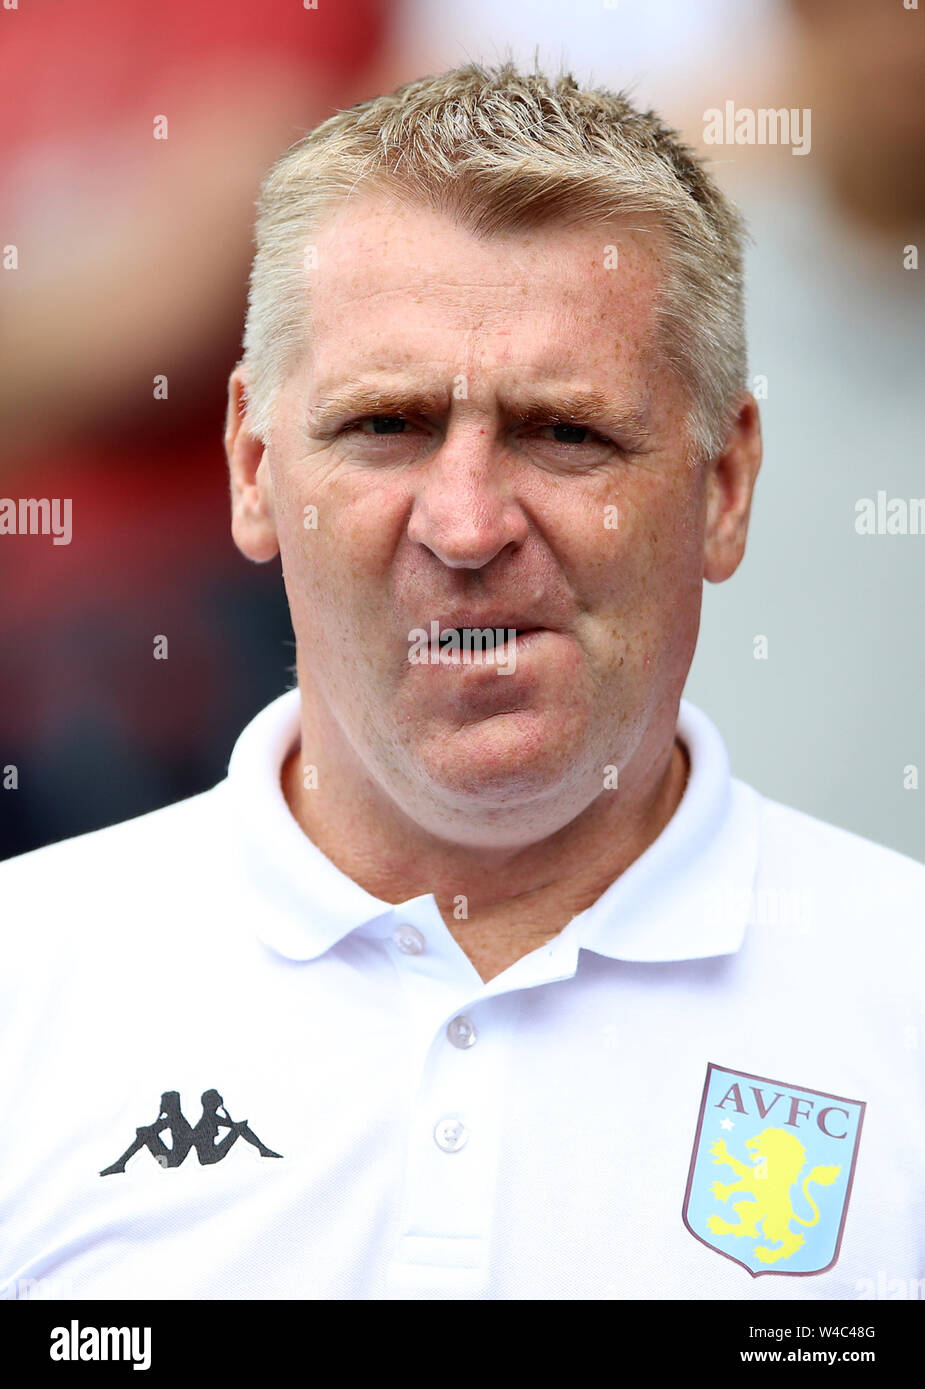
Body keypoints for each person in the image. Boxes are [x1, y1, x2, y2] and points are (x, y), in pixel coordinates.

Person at [1, 62, 922, 1302]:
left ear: (722, 484)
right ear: (252, 464)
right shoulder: (29, 985)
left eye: (565, 431)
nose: (469, 523)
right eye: (385, 425)